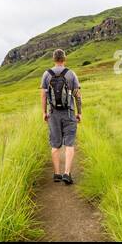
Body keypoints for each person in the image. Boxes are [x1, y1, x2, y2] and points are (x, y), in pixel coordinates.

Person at [41, 49, 82, 185]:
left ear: (53, 59)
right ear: (65, 59)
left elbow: (43, 96)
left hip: (53, 114)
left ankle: (57, 173)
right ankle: (67, 173)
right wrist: (79, 112)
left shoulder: (47, 74)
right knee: (69, 144)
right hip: (69, 113)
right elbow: (78, 95)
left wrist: (44, 112)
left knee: (55, 144)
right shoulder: (71, 74)